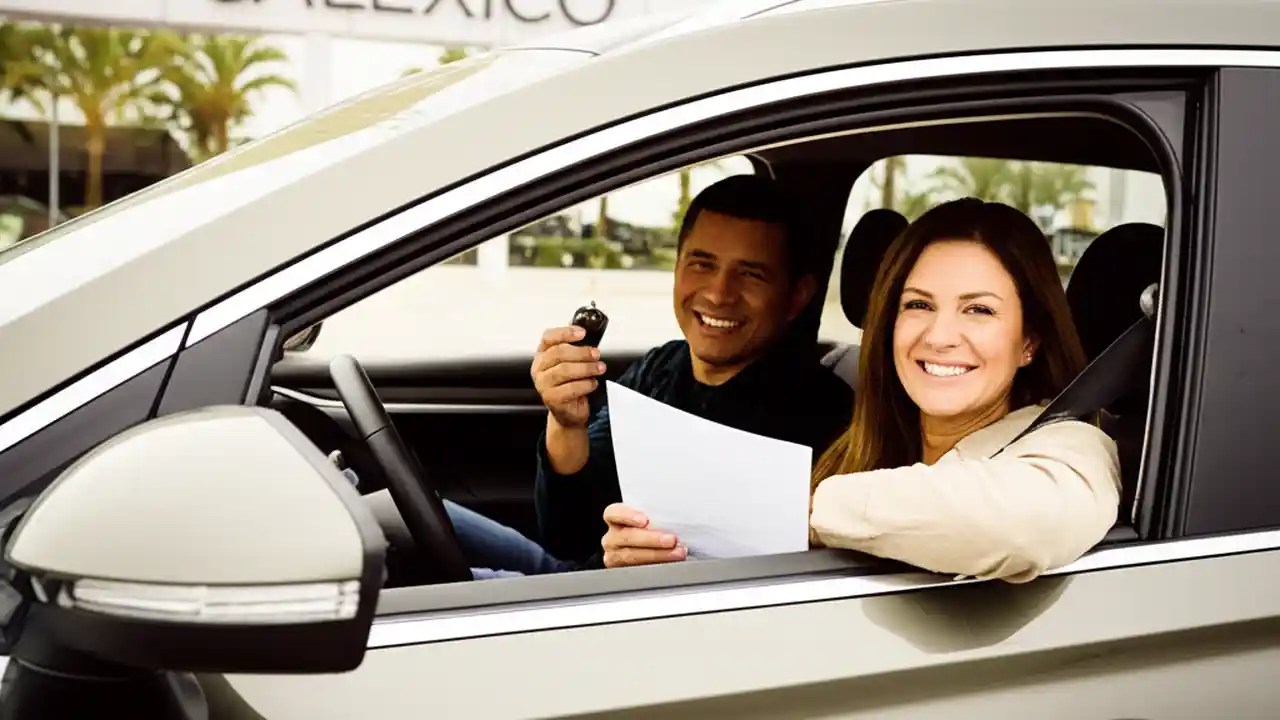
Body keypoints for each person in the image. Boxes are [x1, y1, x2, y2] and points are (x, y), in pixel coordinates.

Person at [357, 174, 853, 578]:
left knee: (398, 588)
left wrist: (637, 571)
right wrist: (566, 422)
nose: (719, 293)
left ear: (796, 297)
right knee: (386, 514)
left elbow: (758, 584)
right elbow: (566, 535)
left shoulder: (822, 418)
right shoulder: (662, 367)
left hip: (620, 608)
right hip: (585, 573)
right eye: (702, 264)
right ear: (677, 269)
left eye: (751, 274)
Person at [602, 198, 1121, 583]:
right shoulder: (864, 439)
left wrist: (784, 512)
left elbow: (1022, 526)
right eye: (918, 305)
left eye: (978, 310)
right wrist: (664, 556)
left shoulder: (1068, 445)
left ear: (1029, 341)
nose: (939, 335)